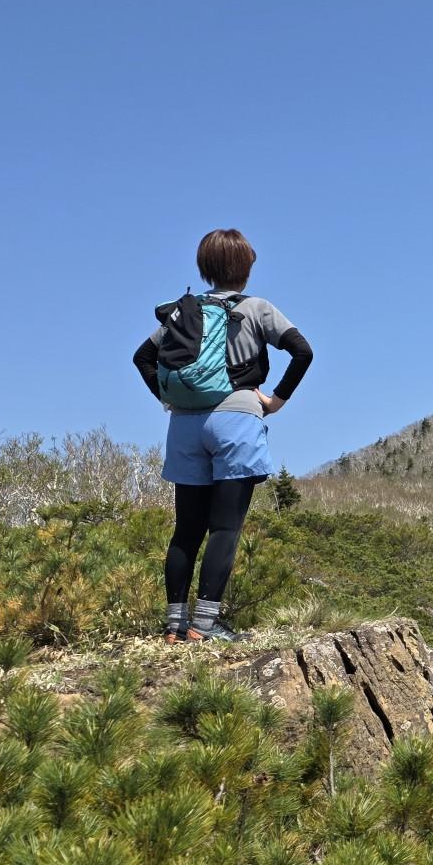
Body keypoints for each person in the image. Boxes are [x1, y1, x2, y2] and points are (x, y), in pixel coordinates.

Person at [133, 228, 314, 642]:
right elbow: (303, 351)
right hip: (235, 420)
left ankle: (175, 626)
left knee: (186, 529)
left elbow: (142, 356)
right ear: (247, 267)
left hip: (184, 426)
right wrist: (276, 401)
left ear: (205, 267)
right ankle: (205, 625)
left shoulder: (185, 312)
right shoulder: (256, 309)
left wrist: (167, 398)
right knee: (225, 528)